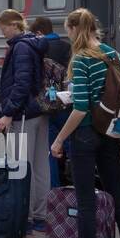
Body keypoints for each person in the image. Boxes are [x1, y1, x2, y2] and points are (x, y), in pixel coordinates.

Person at [49, 8, 120, 238]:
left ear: (76, 29)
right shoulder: (113, 55)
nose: (69, 35)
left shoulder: (81, 59)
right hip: (111, 134)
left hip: (86, 136)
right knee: (119, 200)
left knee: (86, 203)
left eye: (68, 30)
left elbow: (80, 109)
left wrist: (59, 140)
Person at [0, 9, 50, 232]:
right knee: (39, 166)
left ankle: (24, 216)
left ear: (14, 25)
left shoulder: (20, 48)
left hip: (23, 115)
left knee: (21, 165)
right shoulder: (32, 44)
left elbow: (21, 83)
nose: (2, 33)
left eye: (3, 28)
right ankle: (41, 215)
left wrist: (8, 112)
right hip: (37, 112)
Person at [32, 15, 73, 188]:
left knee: (49, 150)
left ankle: (54, 188)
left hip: (48, 105)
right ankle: (76, 183)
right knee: (71, 144)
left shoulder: (39, 48)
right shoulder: (67, 46)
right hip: (67, 103)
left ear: (39, 32)